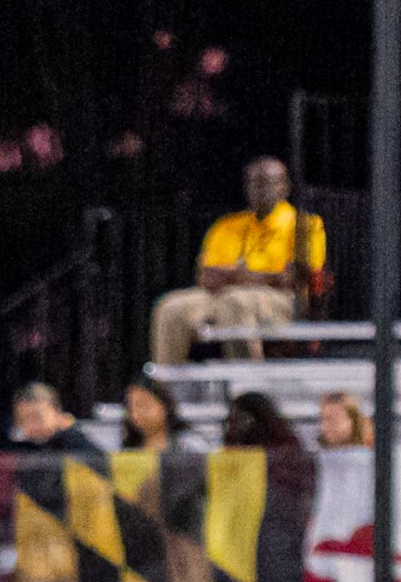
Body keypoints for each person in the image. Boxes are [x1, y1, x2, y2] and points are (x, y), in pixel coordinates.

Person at [149, 157, 326, 365]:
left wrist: (234, 275)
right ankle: (167, 383)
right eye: (253, 183)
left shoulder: (305, 225)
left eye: (267, 183)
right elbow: (206, 277)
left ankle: (247, 383)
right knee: (171, 307)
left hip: (280, 302)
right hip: (221, 296)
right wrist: (263, 276)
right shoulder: (227, 225)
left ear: (284, 187)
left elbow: (291, 279)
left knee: (235, 302)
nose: (259, 190)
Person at [6, 381, 101, 454]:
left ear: (57, 413)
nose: (29, 426)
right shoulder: (14, 449)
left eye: (36, 418)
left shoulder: (76, 444)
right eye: (21, 420)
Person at [121, 376, 188, 452]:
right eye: (131, 408)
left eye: (144, 404)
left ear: (164, 404)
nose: (137, 413)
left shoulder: (187, 446)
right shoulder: (126, 452)